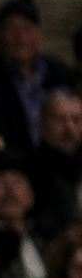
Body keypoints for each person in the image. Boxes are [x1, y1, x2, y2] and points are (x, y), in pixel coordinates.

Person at [0, 0, 72, 158]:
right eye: (12, 29)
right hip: (11, 163)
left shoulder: (59, 73)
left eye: (27, 28)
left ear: (39, 35)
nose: (21, 37)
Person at [30, 90, 82, 237]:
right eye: (60, 119)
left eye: (76, 119)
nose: (69, 128)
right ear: (42, 124)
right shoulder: (31, 169)